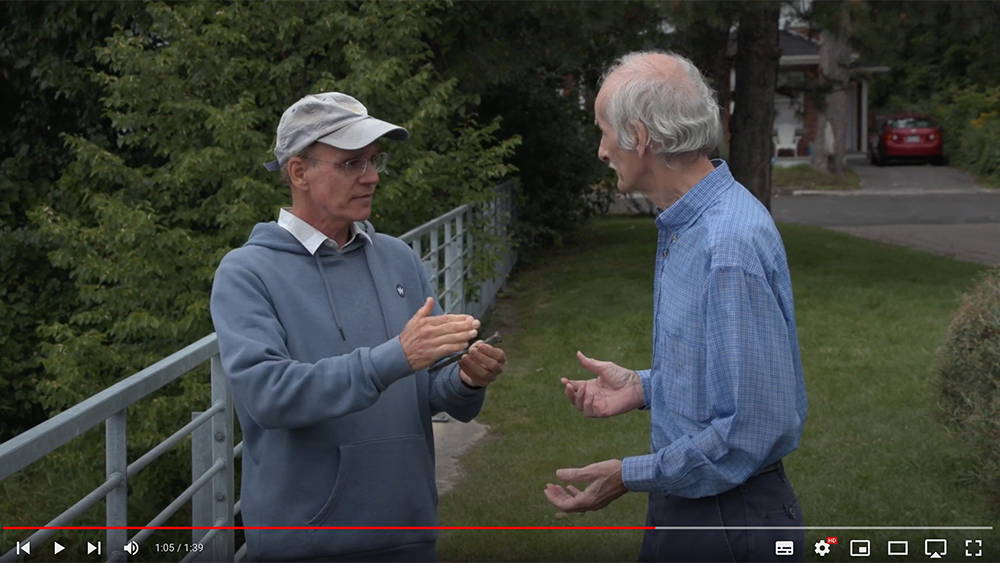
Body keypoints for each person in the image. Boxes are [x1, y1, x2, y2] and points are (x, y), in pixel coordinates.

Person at [211, 92, 506, 562]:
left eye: (373, 161)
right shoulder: (246, 272)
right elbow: (268, 395)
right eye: (351, 163)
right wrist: (395, 357)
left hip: (408, 534)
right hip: (307, 545)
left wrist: (467, 379)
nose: (370, 176)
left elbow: (425, 390)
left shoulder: (397, 258)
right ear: (298, 172)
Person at [544, 52, 808, 562]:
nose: (601, 150)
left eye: (604, 132)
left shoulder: (726, 243)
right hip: (699, 508)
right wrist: (646, 387)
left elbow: (753, 426)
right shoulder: (693, 225)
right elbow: (729, 384)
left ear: (640, 137)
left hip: (729, 521)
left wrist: (629, 473)